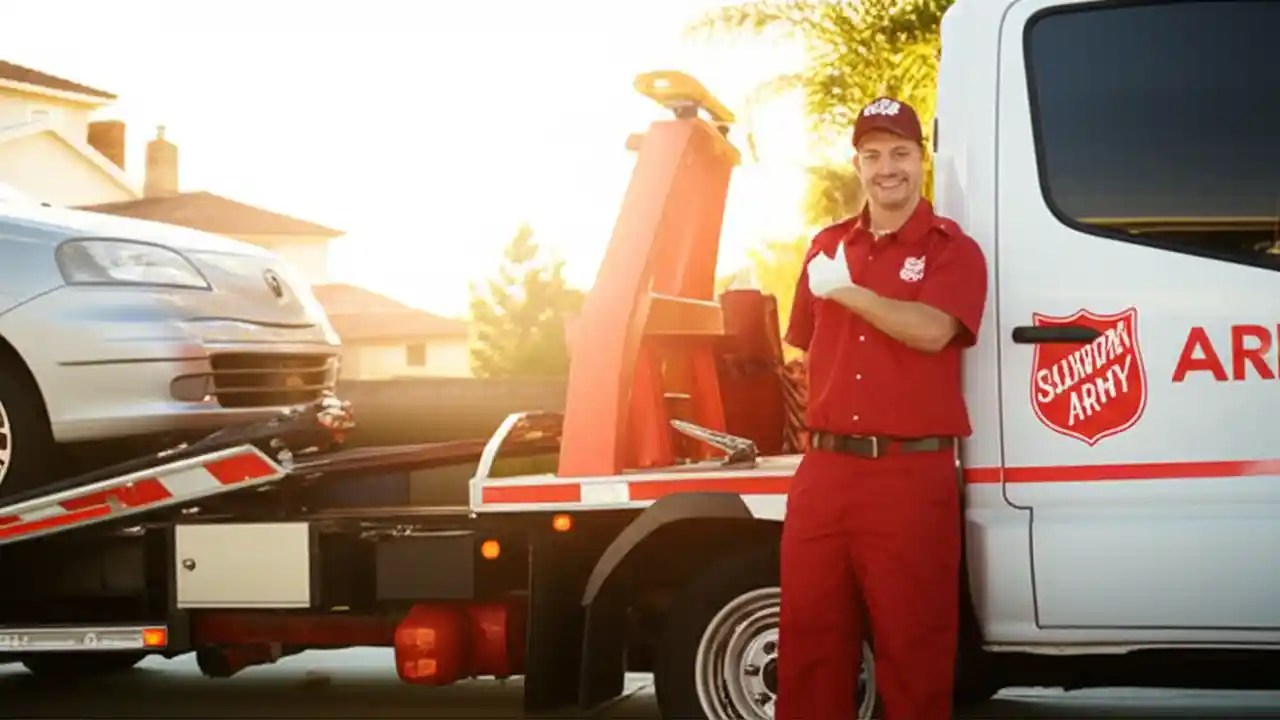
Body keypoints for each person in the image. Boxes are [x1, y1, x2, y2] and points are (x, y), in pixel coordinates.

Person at [774, 96, 989, 720]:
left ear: (921, 160)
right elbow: (806, 353)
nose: (885, 167)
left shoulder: (954, 250)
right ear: (857, 164)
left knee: (913, 647)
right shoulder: (825, 247)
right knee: (809, 642)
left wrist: (849, 292)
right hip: (826, 475)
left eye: (899, 152)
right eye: (872, 155)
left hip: (909, 475)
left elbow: (931, 329)